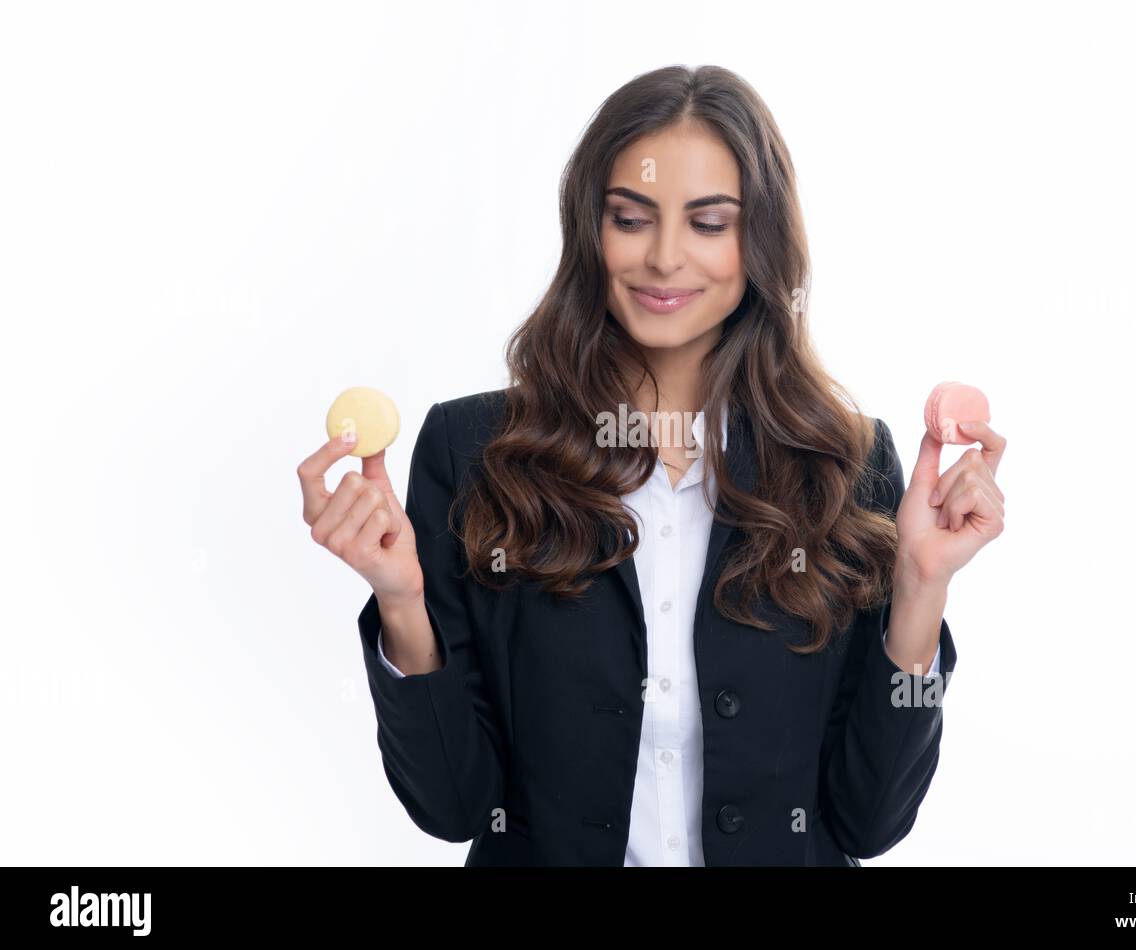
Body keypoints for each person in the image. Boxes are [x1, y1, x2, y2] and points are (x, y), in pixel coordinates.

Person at [297, 64, 1006, 865]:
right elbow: (454, 807)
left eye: (710, 223)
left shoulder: (847, 465)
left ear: (761, 243)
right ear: (589, 232)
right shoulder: (475, 454)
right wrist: (402, 604)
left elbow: (870, 821)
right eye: (631, 218)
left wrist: (920, 587)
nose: (665, 257)